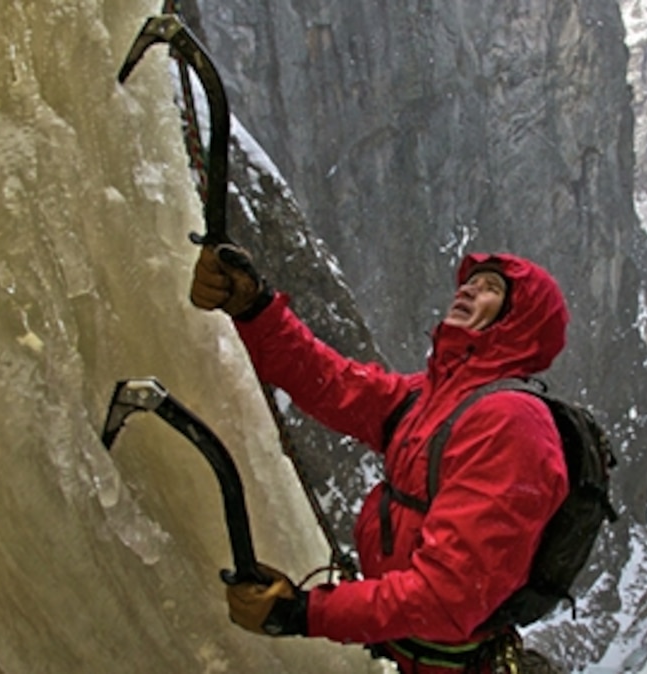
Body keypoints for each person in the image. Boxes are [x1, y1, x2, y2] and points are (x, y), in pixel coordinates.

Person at [190, 244, 571, 673]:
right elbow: (333, 385)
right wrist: (254, 308)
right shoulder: (429, 398)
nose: (468, 290)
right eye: (468, 282)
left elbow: (447, 597)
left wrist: (302, 612)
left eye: (491, 289)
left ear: (517, 321)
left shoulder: (510, 423)